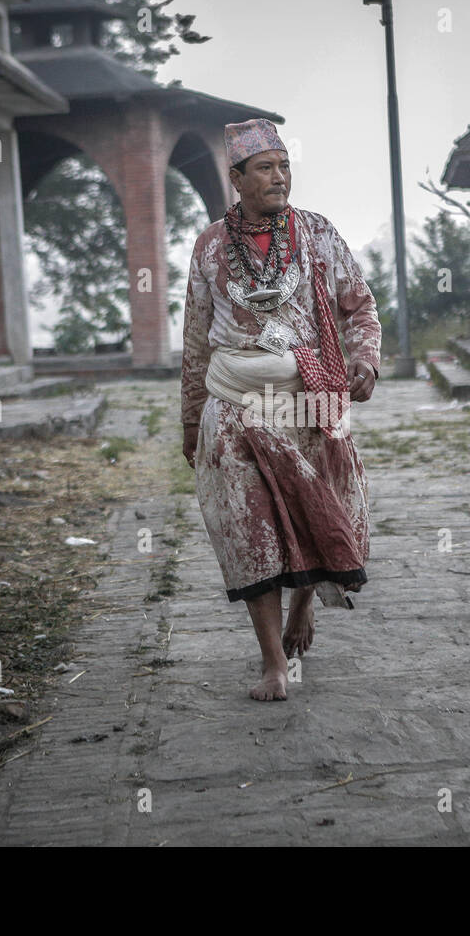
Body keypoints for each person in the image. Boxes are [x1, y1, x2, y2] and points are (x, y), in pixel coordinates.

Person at [181, 118, 382, 702]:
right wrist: (191, 419)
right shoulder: (211, 247)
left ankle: (303, 605)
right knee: (248, 528)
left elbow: (359, 308)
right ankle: (271, 660)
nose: (279, 177)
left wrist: (363, 362)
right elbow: (195, 340)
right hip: (232, 406)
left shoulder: (318, 234)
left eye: (284, 166)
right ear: (237, 178)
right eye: (265, 168)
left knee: (312, 513)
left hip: (306, 402)